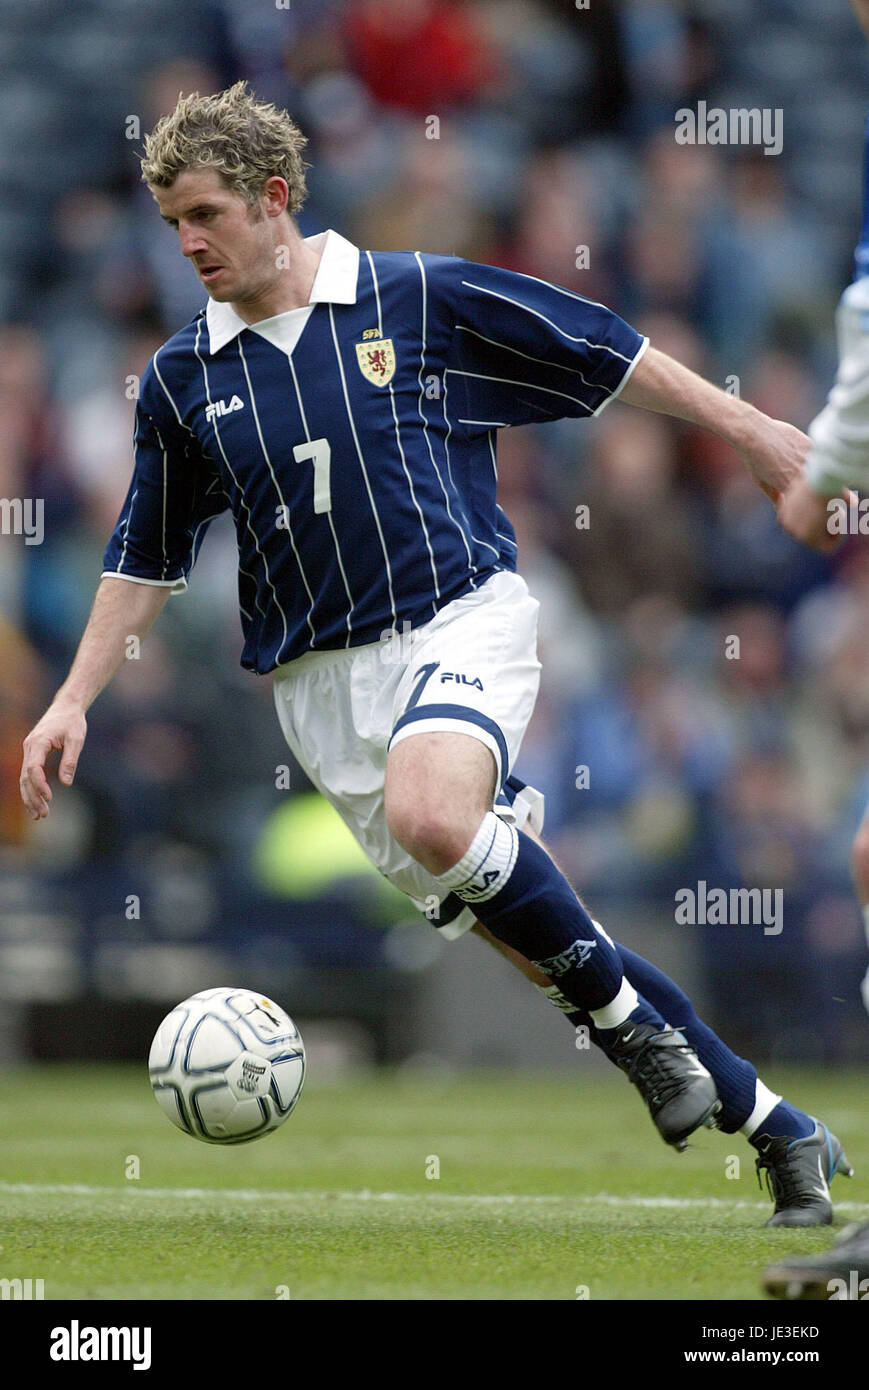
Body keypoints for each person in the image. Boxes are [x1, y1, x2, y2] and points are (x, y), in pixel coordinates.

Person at [19, 82, 852, 1226]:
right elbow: (144, 557)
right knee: (550, 947)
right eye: (170, 224)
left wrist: (755, 431)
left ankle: (628, 1037)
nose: (188, 243)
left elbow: (606, 353)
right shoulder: (182, 380)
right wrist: (71, 698)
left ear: (274, 199)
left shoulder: (410, 294)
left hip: (458, 618)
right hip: (318, 695)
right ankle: (776, 1127)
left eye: (205, 213)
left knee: (434, 816)